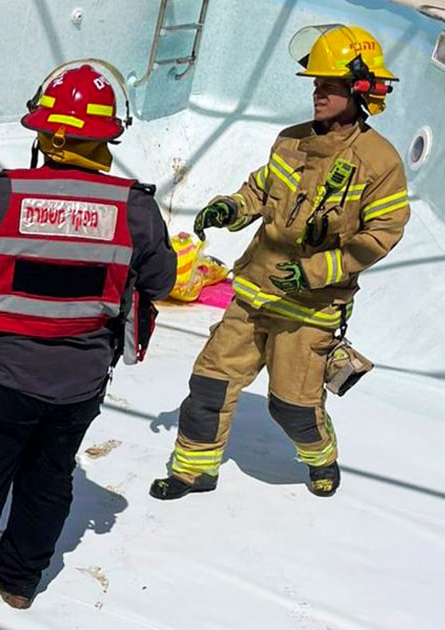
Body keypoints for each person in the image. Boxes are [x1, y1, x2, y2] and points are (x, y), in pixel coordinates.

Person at [0, 61, 177, 627]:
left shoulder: (0, 195)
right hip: (80, 383)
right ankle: (19, 582)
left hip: (2, 377)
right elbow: (161, 282)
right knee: (48, 477)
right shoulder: (135, 208)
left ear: (48, 134)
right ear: (106, 137)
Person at [150, 24, 410, 501]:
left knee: (292, 407)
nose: (317, 93)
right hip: (253, 291)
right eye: (315, 84)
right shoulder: (289, 141)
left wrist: (312, 272)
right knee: (210, 383)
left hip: (311, 308)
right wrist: (232, 207)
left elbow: (382, 236)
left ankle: (321, 456)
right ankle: (193, 471)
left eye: (329, 86)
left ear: (360, 91)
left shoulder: (380, 162)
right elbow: (262, 189)